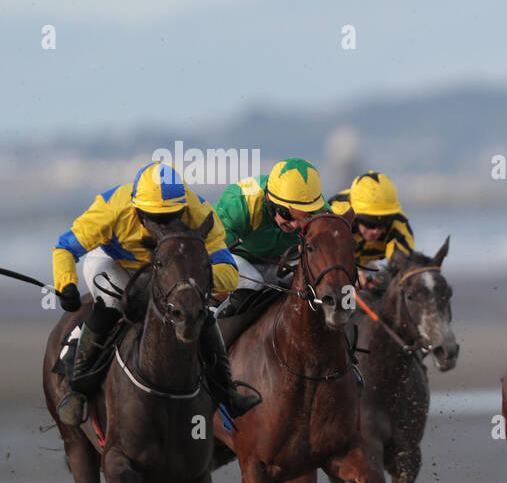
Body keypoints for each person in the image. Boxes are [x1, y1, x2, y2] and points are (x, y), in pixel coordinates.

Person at [51, 161, 260, 424]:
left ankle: (227, 392)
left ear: (185, 208)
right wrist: (66, 284)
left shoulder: (201, 214)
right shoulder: (111, 210)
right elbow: (64, 248)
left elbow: (229, 274)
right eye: (156, 219)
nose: (165, 226)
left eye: (173, 217)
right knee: (111, 304)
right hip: (114, 263)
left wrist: (190, 281)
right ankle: (78, 390)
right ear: (137, 210)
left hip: (170, 272)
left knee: (201, 313)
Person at [212, 157, 326, 315]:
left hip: (282, 261)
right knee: (252, 282)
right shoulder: (240, 203)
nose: (294, 225)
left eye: (305, 216)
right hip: (239, 257)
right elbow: (212, 249)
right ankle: (216, 325)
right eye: (287, 214)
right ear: (268, 200)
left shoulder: (320, 210)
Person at [328, 170, 415, 290]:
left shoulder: (399, 226)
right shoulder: (335, 216)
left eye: (384, 222)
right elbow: (321, 257)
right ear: (355, 215)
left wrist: (381, 281)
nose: (377, 231)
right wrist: (350, 271)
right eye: (370, 223)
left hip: (369, 267)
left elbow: (402, 271)